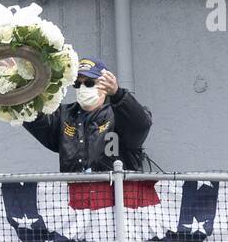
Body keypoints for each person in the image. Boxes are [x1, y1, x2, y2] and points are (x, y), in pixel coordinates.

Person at [23, 56, 151, 172]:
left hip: (118, 193)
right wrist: (18, 82)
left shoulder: (119, 113)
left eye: (89, 83)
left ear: (105, 84)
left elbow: (140, 126)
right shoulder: (64, 115)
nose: (82, 88)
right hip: (78, 193)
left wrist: (118, 94)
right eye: (78, 84)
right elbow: (35, 118)